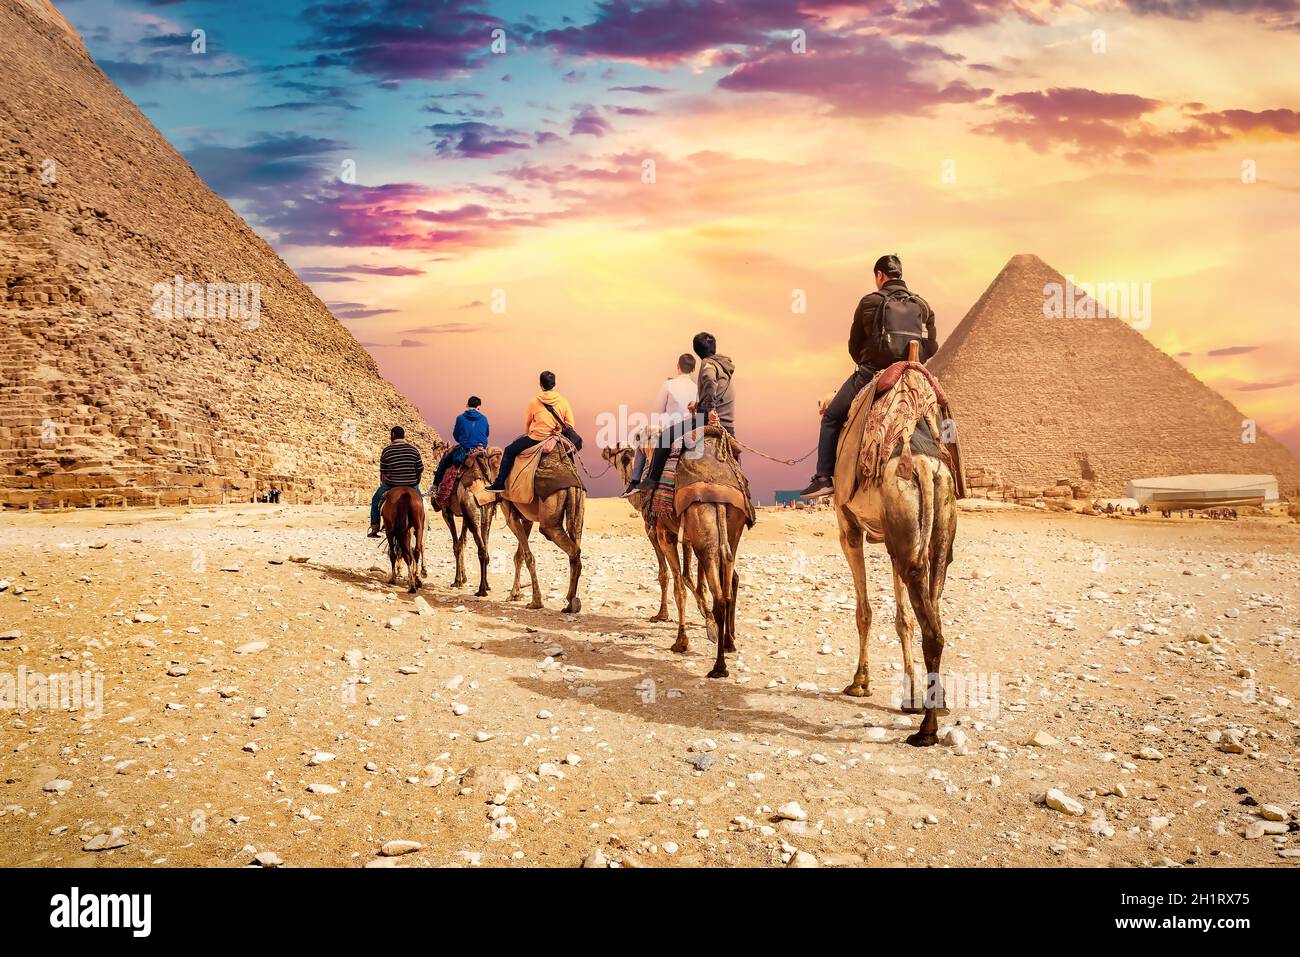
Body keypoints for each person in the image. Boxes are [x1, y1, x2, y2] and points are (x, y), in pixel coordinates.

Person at [801, 254, 936, 498]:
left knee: (831, 417)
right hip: (914, 374)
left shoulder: (870, 302)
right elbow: (932, 346)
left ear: (879, 276)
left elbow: (854, 346)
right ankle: (952, 467)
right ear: (900, 274)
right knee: (944, 415)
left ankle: (823, 478)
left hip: (874, 374)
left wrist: (868, 360)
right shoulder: (923, 305)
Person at [482, 371, 574, 494]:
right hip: (556, 438)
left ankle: (499, 483)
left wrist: (529, 433)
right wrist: (557, 431)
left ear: (541, 385)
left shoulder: (534, 402)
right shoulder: (564, 401)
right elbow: (570, 425)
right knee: (569, 455)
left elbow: (528, 423)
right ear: (554, 384)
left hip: (537, 438)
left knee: (509, 450)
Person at [622, 353, 698, 497]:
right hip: (692, 430)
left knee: (642, 438)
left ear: (678, 367)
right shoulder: (696, 388)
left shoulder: (669, 385)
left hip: (672, 432)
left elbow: (657, 411)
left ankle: (635, 481)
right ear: (693, 369)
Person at [430, 396, 490, 510]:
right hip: (480, 450)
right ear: (479, 407)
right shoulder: (484, 418)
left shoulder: (460, 418)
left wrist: (464, 439)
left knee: (443, 462)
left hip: (465, 449)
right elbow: (486, 433)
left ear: (467, 406)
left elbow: (456, 435)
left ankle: (434, 487)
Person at [368, 425, 424, 537]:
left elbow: (383, 472)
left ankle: (375, 527)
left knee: (375, 500)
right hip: (411, 484)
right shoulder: (413, 450)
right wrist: (415, 481)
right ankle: (422, 525)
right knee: (421, 502)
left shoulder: (387, 451)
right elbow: (420, 469)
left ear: (393, 435)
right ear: (404, 436)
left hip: (391, 484)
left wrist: (385, 483)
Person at [690, 331, 735, 436]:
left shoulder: (708, 363)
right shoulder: (724, 367)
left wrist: (710, 410)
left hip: (709, 422)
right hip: (728, 428)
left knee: (666, 436)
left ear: (696, 350)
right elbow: (719, 399)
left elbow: (710, 380)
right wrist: (697, 406)